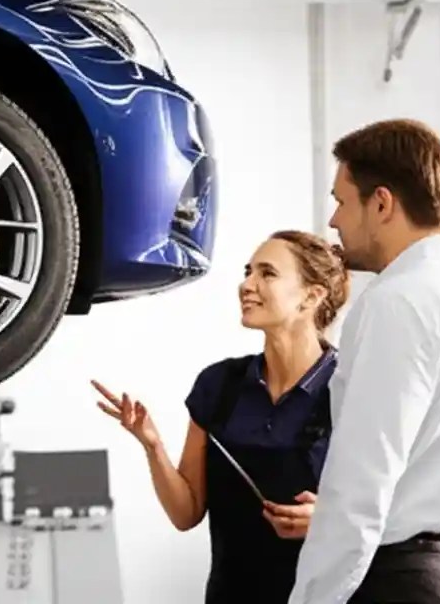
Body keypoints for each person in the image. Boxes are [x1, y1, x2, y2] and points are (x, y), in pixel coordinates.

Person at [287, 118, 440, 604]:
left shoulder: (395, 302)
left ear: (381, 203)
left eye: (341, 200)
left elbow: (360, 482)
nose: (334, 220)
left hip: (402, 581)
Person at [93, 229, 350, 604]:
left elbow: (390, 507)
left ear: (311, 296)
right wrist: (153, 446)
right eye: (248, 271)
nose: (247, 284)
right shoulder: (219, 385)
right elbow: (186, 512)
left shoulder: (350, 388)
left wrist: (332, 521)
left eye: (267, 273)